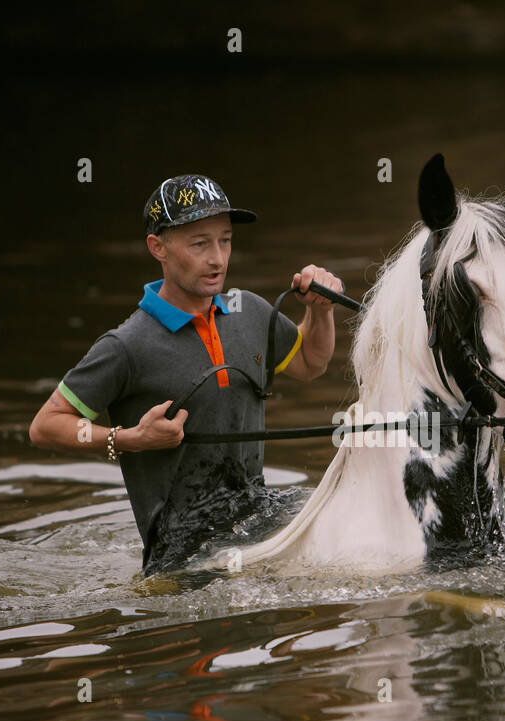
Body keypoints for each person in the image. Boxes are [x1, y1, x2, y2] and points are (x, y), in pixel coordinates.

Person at [28, 173, 341, 574]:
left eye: (224, 240)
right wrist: (130, 440)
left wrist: (320, 311)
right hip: (184, 555)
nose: (218, 258)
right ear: (157, 247)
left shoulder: (251, 311)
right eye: (199, 244)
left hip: (257, 517)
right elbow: (46, 426)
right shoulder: (127, 345)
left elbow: (311, 364)